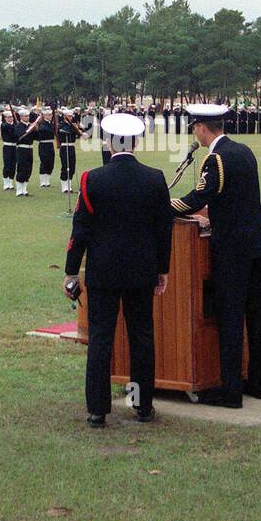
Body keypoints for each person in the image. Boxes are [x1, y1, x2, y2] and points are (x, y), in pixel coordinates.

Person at [64, 112, 173, 428]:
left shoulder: (92, 179)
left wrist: (72, 272)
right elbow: (162, 230)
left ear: (109, 143)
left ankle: (97, 409)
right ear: (136, 142)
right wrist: (161, 270)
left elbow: (80, 230)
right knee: (141, 337)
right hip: (141, 271)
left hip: (103, 272)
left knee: (101, 338)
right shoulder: (154, 178)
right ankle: (142, 405)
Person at [169, 104, 261, 408]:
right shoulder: (244, 151)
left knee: (230, 316)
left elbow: (199, 197)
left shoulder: (216, 158)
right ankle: (259, 383)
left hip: (231, 248)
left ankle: (230, 391)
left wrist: (164, 205)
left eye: (194, 128)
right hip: (256, 243)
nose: (194, 133)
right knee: (256, 316)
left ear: (202, 127)